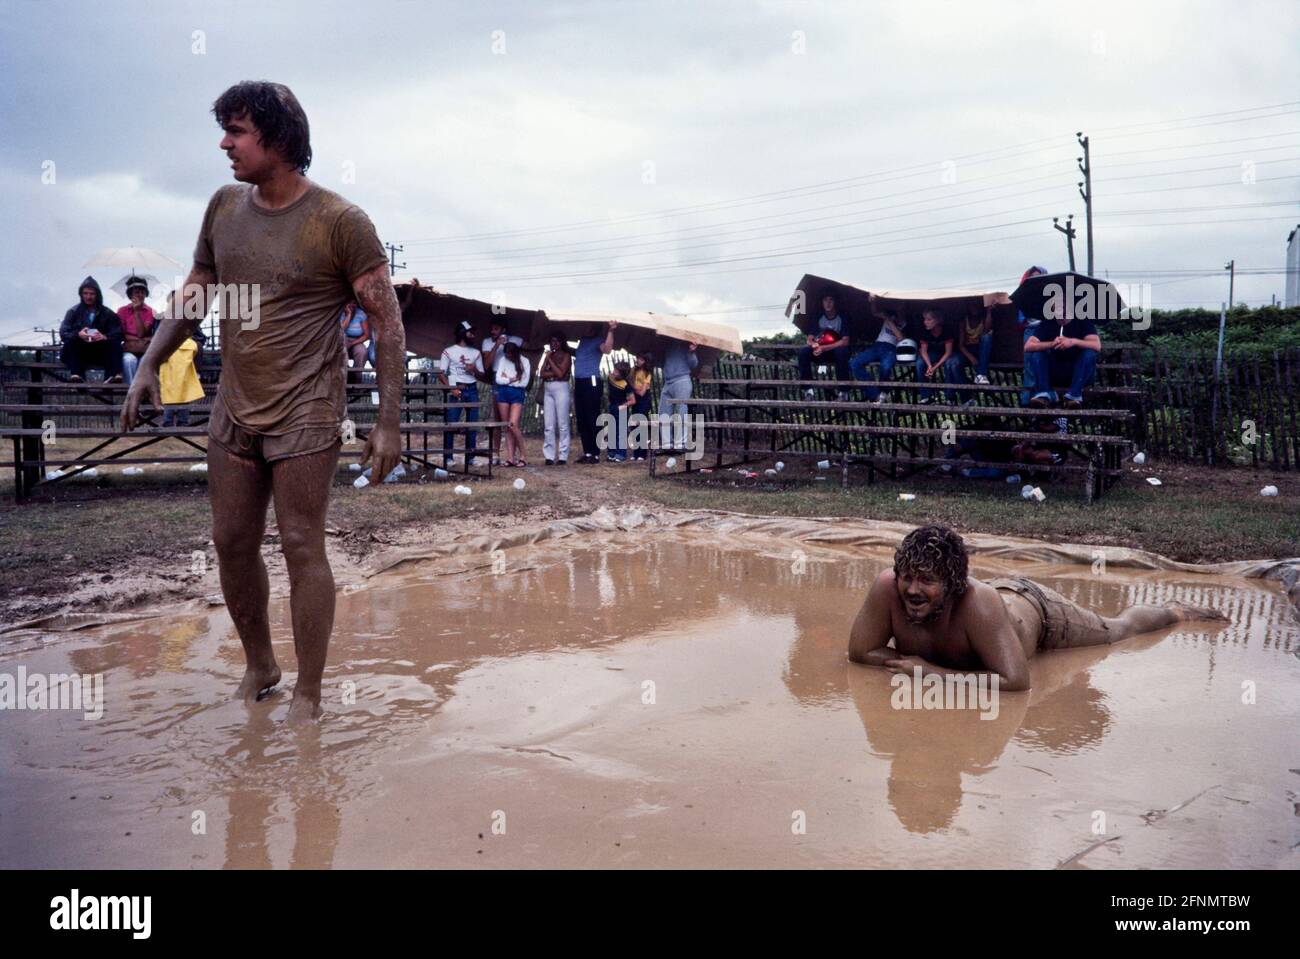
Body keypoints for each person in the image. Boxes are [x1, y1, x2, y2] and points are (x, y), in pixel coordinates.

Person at [120, 80, 403, 723]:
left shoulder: (341, 221)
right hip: (236, 405)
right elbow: (196, 293)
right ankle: (260, 662)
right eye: (225, 130)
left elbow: (388, 323)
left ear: (276, 139)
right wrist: (148, 364)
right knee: (230, 540)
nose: (225, 144)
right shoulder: (224, 207)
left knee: (302, 543)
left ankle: (309, 692)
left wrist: (388, 424)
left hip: (307, 407)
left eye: (238, 131)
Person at [848, 525, 1226, 691]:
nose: (912, 590)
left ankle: (1175, 612)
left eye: (926, 581)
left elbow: (1015, 681)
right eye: (907, 577)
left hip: (1038, 613)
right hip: (999, 608)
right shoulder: (888, 587)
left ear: (952, 586)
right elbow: (860, 652)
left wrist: (932, 673)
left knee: (1117, 631)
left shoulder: (977, 603)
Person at [1025, 304, 1102, 410]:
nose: (1060, 308)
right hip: (1055, 371)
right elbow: (1028, 346)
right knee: (1037, 354)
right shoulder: (1047, 323)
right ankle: (1044, 394)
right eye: (1057, 305)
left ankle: (1074, 396)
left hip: (1078, 372)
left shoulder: (1083, 321)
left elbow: (1096, 345)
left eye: (1064, 304)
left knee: (1089, 353)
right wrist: (1052, 344)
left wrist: (1072, 341)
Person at [60, 277, 124, 383]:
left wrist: (104, 337)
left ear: (97, 294)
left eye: (92, 294)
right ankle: (77, 375)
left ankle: (111, 377)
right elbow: (63, 333)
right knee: (70, 343)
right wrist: (78, 334)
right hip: (79, 353)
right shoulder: (73, 312)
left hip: (100, 352)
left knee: (116, 345)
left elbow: (119, 334)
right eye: (85, 293)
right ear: (81, 294)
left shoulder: (108, 313)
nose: (88, 297)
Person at [438, 320, 483, 467]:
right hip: (456, 388)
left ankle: (470, 457)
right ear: (462, 333)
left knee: (472, 424)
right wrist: (452, 389)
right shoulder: (448, 351)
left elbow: (482, 374)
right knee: (451, 424)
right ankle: (448, 458)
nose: (473, 334)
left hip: (472, 388)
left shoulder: (476, 353)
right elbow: (441, 373)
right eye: (470, 332)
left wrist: (473, 369)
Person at [481, 322, 526, 465]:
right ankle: (496, 453)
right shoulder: (487, 342)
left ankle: (515, 455)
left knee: (512, 423)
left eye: (496, 329)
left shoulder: (515, 340)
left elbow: (529, 346)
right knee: (498, 418)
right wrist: (497, 345)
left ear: (503, 330)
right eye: (491, 328)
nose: (492, 331)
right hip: (497, 376)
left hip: (513, 377)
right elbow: (486, 365)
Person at [574, 321, 616, 463]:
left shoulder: (598, 340)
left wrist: (610, 330)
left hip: (591, 381)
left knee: (592, 417)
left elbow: (608, 350)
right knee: (582, 418)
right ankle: (587, 453)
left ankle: (595, 453)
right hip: (579, 381)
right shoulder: (582, 341)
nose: (584, 327)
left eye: (587, 326)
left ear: (593, 328)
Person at [797, 294, 851, 400]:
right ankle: (808, 391)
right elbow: (809, 339)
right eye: (825, 300)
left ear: (836, 302)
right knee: (803, 352)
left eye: (831, 299)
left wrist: (824, 348)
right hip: (821, 351)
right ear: (822, 302)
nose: (828, 303)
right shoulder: (818, 316)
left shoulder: (843, 317)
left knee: (841, 352)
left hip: (836, 351)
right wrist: (815, 345)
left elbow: (845, 341)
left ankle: (843, 392)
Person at [850, 307, 903, 403]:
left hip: (891, 348)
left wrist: (889, 320)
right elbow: (874, 312)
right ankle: (876, 393)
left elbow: (900, 338)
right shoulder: (889, 315)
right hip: (877, 345)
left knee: (885, 366)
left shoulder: (904, 323)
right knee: (855, 363)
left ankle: (883, 390)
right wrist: (872, 302)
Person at [493, 341, 530, 466]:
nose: (507, 356)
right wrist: (512, 379)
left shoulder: (524, 361)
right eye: (506, 354)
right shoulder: (503, 360)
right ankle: (510, 458)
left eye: (509, 354)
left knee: (513, 424)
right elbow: (498, 379)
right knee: (507, 427)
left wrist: (507, 379)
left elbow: (524, 382)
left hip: (517, 393)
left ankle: (523, 455)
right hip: (503, 393)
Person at [659, 338, 698, 452]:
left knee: (682, 410)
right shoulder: (667, 344)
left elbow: (694, 364)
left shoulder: (686, 343)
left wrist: (692, 352)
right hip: (668, 381)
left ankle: (682, 443)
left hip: (682, 379)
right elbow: (661, 362)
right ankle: (667, 444)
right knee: (663, 412)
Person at [1017, 265, 1049, 405]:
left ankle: (1043, 397)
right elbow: (1020, 316)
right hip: (1030, 329)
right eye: (1032, 277)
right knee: (1029, 364)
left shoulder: (1051, 293)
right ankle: (1027, 401)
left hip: (1046, 329)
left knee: (1043, 362)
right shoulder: (1024, 293)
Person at [915, 309, 961, 404]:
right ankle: (926, 396)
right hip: (933, 354)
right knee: (920, 363)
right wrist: (929, 366)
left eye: (929, 319)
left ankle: (950, 397)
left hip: (948, 354)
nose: (925, 322)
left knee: (949, 363)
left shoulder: (947, 330)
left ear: (937, 321)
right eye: (924, 319)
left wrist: (935, 367)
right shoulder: (924, 331)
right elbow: (923, 352)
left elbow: (948, 353)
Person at [538, 335, 572, 465]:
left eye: (557, 340)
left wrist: (549, 360)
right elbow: (542, 373)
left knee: (563, 423)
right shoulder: (549, 355)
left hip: (560, 387)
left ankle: (563, 455)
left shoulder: (566, 355)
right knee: (549, 424)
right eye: (552, 341)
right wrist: (553, 370)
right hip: (548, 388)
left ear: (562, 342)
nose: (554, 343)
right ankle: (549, 456)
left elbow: (560, 373)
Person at [158, 332, 205, 426]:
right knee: (185, 396)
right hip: (185, 375)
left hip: (168, 375)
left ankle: (168, 422)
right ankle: (183, 422)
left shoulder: (164, 343)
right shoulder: (192, 344)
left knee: (168, 398)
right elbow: (196, 356)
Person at [117, 277, 156, 386]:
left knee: (146, 362)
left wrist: (137, 312)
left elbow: (142, 333)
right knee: (129, 361)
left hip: (145, 350)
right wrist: (140, 339)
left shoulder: (150, 312)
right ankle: (132, 392)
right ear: (130, 295)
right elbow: (122, 334)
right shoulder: (122, 311)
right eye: (137, 292)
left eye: (142, 292)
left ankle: (144, 392)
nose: (140, 295)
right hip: (129, 349)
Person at [956, 302, 993, 387]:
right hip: (967, 350)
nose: (974, 308)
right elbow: (961, 345)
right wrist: (971, 358)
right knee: (953, 363)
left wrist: (989, 311)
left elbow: (987, 330)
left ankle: (980, 375)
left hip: (981, 349)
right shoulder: (964, 321)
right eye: (972, 306)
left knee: (987, 337)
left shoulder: (983, 319)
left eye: (977, 306)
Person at [605, 359, 633, 463]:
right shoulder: (611, 378)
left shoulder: (626, 384)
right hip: (612, 406)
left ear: (622, 374)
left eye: (616, 371)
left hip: (621, 408)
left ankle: (621, 454)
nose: (614, 372)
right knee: (612, 431)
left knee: (620, 432)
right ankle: (611, 453)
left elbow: (632, 400)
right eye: (614, 370)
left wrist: (622, 407)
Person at [629, 352, 654, 461]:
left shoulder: (648, 373)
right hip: (635, 399)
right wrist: (635, 388)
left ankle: (642, 454)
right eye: (637, 358)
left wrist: (633, 386)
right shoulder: (633, 370)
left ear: (645, 362)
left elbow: (642, 392)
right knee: (635, 424)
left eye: (641, 359)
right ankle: (636, 452)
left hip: (644, 400)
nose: (638, 360)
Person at [340, 300, 369, 383]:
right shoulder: (341, 313)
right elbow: (342, 329)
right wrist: (348, 314)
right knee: (343, 340)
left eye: (354, 303)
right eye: (350, 302)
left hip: (357, 340)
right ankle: (344, 377)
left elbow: (367, 335)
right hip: (342, 339)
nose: (352, 305)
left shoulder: (361, 314)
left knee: (362, 351)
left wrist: (352, 343)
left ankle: (356, 379)